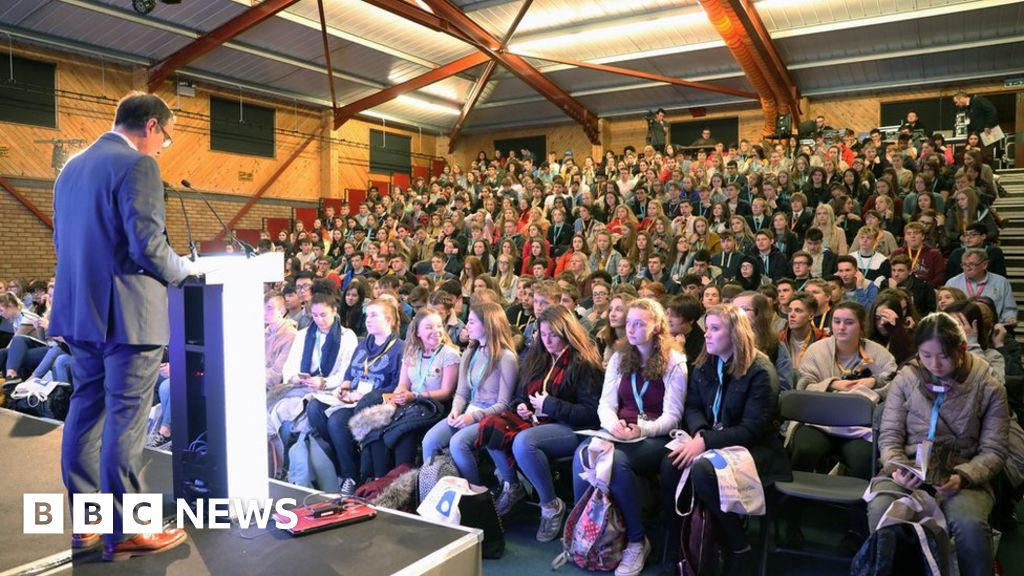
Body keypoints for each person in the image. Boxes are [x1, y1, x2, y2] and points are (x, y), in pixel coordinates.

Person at [50, 92, 200, 559]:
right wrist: (186, 271)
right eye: (166, 139)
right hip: (128, 317)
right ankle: (131, 528)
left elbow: (62, 239)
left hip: (81, 312)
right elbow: (147, 246)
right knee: (126, 421)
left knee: (85, 412)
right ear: (151, 126)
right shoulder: (138, 165)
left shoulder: (70, 168)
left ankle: (87, 527)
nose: (162, 148)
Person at [870, 312, 1008, 576]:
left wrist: (963, 477)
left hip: (962, 473)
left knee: (968, 523)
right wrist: (896, 467)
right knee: (881, 510)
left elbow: (994, 450)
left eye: (943, 355)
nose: (934, 364)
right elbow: (890, 435)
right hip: (909, 468)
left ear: (962, 348)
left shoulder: (988, 386)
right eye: (926, 355)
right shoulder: (907, 378)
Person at [662, 303, 790, 576]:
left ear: (735, 333)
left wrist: (705, 442)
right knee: (670, 463)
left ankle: (737, 544)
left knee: (703, 470)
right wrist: (700, 434)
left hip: (755, 450)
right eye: (706, 328)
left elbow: (751, 429)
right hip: (713, 439)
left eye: (715, 329)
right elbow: (693, 406)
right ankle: (677, 550)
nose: (706, 334)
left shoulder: (759, 371)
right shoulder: (707, 361)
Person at [572, 298, 687, 576]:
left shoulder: (675, 361)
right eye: (629, 323)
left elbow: (673, 416)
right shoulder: (620, 356)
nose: (631, 329)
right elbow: (605, 405)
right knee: (582, 455)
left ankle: (637, 541)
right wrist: (613, 427)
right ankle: (588, 531)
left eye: (639, 323)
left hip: (655, 436)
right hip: (618, 432)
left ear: (657, 326)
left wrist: (642, 429)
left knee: (615, 463)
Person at [484, 306, 601, 539]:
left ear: (566, 333)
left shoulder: (583, 363)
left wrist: (550, 405)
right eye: (543, 334)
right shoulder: (538, 357)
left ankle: (550, 505)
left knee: (523, 442)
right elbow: (522, 394)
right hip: (540, 421)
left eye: (553, 335)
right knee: (490, 426)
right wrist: (522, 405)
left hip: (572, 428)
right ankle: (513, 486)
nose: (547, 340)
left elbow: (590, 413)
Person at [307, 299, 405, 496]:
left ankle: (350, 475)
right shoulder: (363, 346)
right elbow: (351, 373)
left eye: (373, 315)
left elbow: (397, 384)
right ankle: (344, 462)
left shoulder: (400, 348)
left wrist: (364, 395)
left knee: (336, 422)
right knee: (314, 408)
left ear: (388, 319)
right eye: (367, 315)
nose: (367, 320)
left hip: (376, 402)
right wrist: (345, 386)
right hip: (352, 397)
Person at [793, 301, 898, 480]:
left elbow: (895, 383)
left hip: (859, 427)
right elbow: (804, 384)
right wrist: (831, 384)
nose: (841, 327)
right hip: (819, 421)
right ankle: (798, 502)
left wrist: (874, 381)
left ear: (861, 325)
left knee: (863, 460)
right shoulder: (816, 350)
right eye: (837, 321)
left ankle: (854, 506)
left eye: (849, 323)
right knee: (804, 450)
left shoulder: (878, 353)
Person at [421, 301, 518, 484]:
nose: (466, 327)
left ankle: (472, 494)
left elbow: (504, 405)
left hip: (491, 417)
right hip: (468, 412)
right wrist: (455, 411)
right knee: (430, 441)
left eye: (472, 322)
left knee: (458, 443)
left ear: (488, 324)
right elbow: (462, 393)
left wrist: (472, 418)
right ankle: (432, 490)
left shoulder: (506, 358)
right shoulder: (470, 352)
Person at [362, 308, 460, 479]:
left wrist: (415, 396)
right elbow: (402, 385)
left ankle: (401, 486)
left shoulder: (449, 354)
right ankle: (379, 480)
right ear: (418, 332)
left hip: (434, 407)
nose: (436, 331)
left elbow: (446, 392)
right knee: (377, 425)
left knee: (405, 433)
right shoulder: (412, 352)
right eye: (429, 327)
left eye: (439, 326)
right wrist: (397, 397)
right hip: (410, 404)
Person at [944, 248, 1017, 329]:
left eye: (971, 264)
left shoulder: (1001, 282)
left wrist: (1010, 318)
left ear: (984, 265)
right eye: (964, 265)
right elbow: (946, 309)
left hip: (992, 328)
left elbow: (1009, 308)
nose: (967, 268)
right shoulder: (952, 283)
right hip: (961, 329)